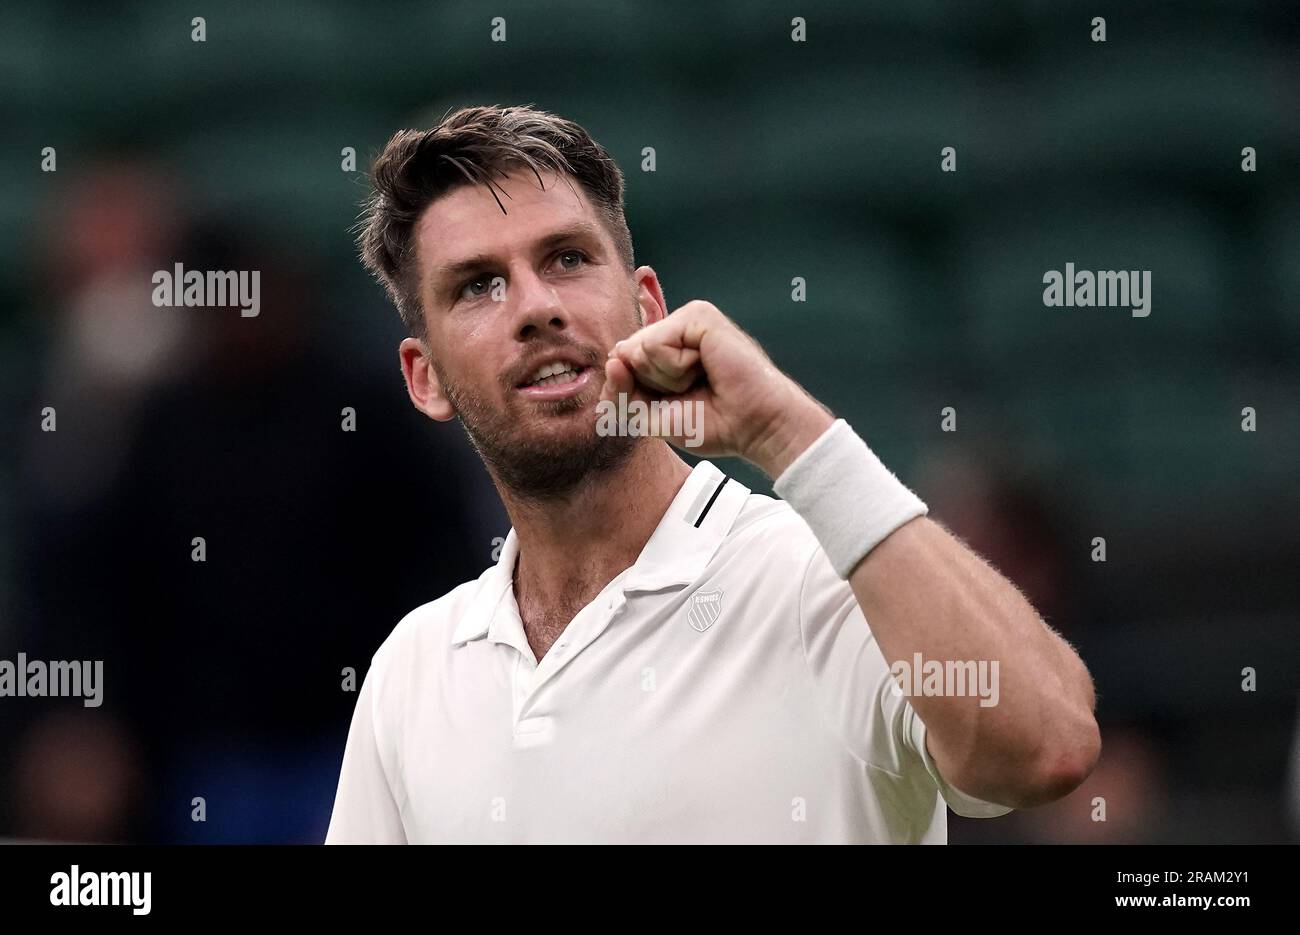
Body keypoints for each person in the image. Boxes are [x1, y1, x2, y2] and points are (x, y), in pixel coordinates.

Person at [325, 104, 1100, 843]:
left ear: (647, 304)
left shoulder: (820, 581)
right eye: (478, 285)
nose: (534, 306)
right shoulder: (412, 672)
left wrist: (790, 432)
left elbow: (1049, 747)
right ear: (423, 377)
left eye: (567, 258)